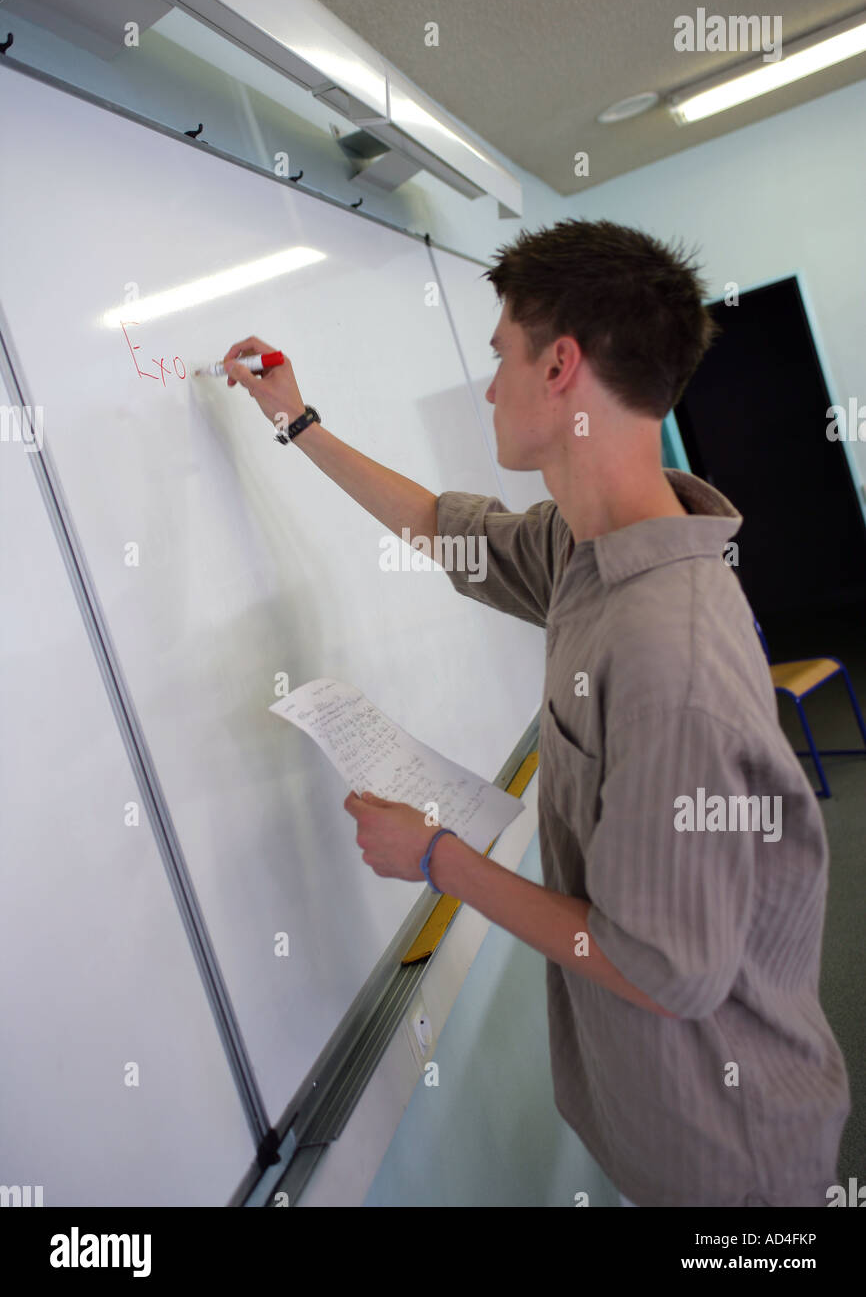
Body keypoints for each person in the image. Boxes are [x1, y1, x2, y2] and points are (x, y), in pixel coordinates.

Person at [223, 217, 849, 1207]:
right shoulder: (585, 545)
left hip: (733, 1171)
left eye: (498, 357)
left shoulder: (666, 650)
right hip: (664, 1132)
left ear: (559, 366)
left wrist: (434, 857)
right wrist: (295, 421)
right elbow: (440, 527)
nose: (486, 387)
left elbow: (661, 970)